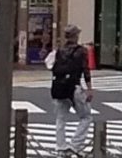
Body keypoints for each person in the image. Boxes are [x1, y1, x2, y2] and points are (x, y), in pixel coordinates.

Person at [50, 24, 93, 157]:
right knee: (86, 116)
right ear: (76, 36)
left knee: (60, 118)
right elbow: (85, 70)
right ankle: (75, 145)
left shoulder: (59, 50)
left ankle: (61, 146)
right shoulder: (81, 51)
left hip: (58, 86)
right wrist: (89, 88)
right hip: (74, 86)